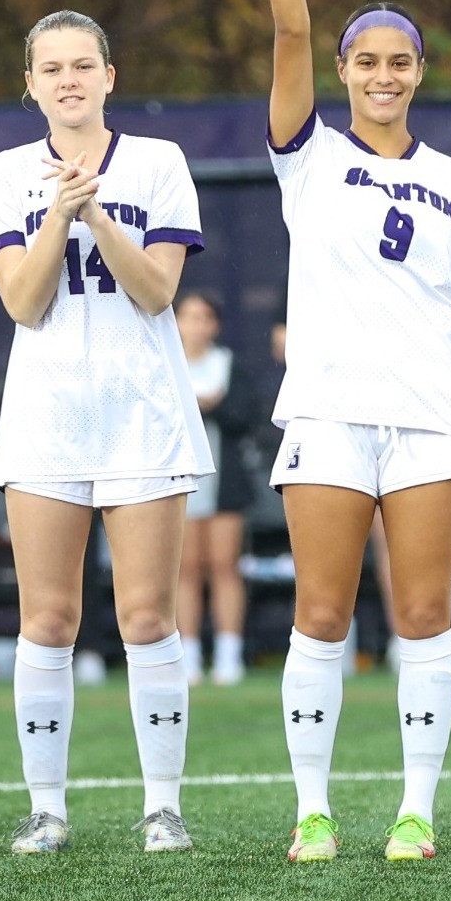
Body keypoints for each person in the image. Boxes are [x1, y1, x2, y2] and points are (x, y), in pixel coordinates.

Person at [208, 0, 451, 864]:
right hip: (328, 412)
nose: (383, 75)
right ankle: (313, 812)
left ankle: (416, 812)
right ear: (343, 71)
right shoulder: (311, 156)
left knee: (423, 615)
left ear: (420, 71)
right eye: (366, 60)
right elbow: (288, 28)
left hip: (427, 419)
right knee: (322, 613)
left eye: (400, 61)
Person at [0, 10, 210, 854]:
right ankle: (47, 809)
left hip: (141, 412)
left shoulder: (158, 162)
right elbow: (21, 301)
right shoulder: (7, 172)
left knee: (146, 617)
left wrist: (99, 215)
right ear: (30, 85)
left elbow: (156, 293)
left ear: (110, 77)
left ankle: (162, 807)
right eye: (52, 68)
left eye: (83, 65)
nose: (68, 80)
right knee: (47, 620)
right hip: (47, 416)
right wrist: (56, 216)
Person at [175, 292, 256, 686]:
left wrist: (214, 406)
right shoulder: (166, 363)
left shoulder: (229, 365)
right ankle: (187, 655)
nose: (197, 325)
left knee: (224, 564)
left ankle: (228, 654)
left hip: (225, 481)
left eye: (205, 317)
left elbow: (245, 414)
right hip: (181, 479)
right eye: (189, 317)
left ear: (216, 325)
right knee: (186, 568)